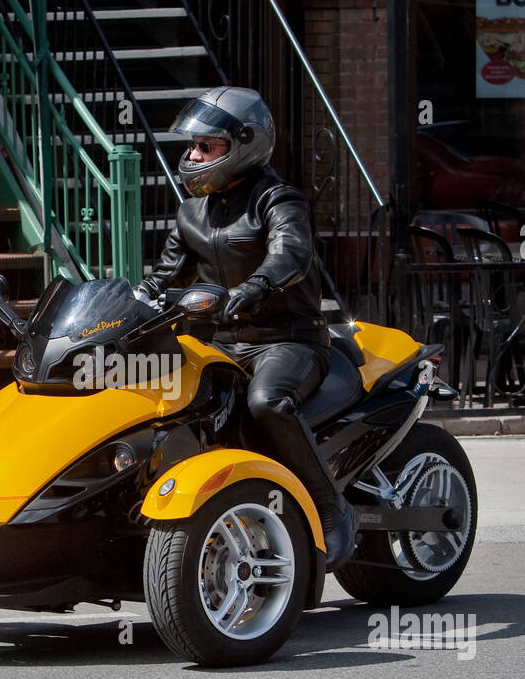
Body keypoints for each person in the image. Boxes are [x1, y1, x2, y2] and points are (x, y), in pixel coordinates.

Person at [135, 86, 358, 571]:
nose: (192, 156)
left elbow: (291, 253)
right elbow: (164, 276)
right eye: (190, 146)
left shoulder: (279, 200)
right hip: (218, 342)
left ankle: (330, 508)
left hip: (285, 339)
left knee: (265, 403)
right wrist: (130, 301)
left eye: (205, 146)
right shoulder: (190, 211)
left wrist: (254, 289)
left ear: (244, 144)